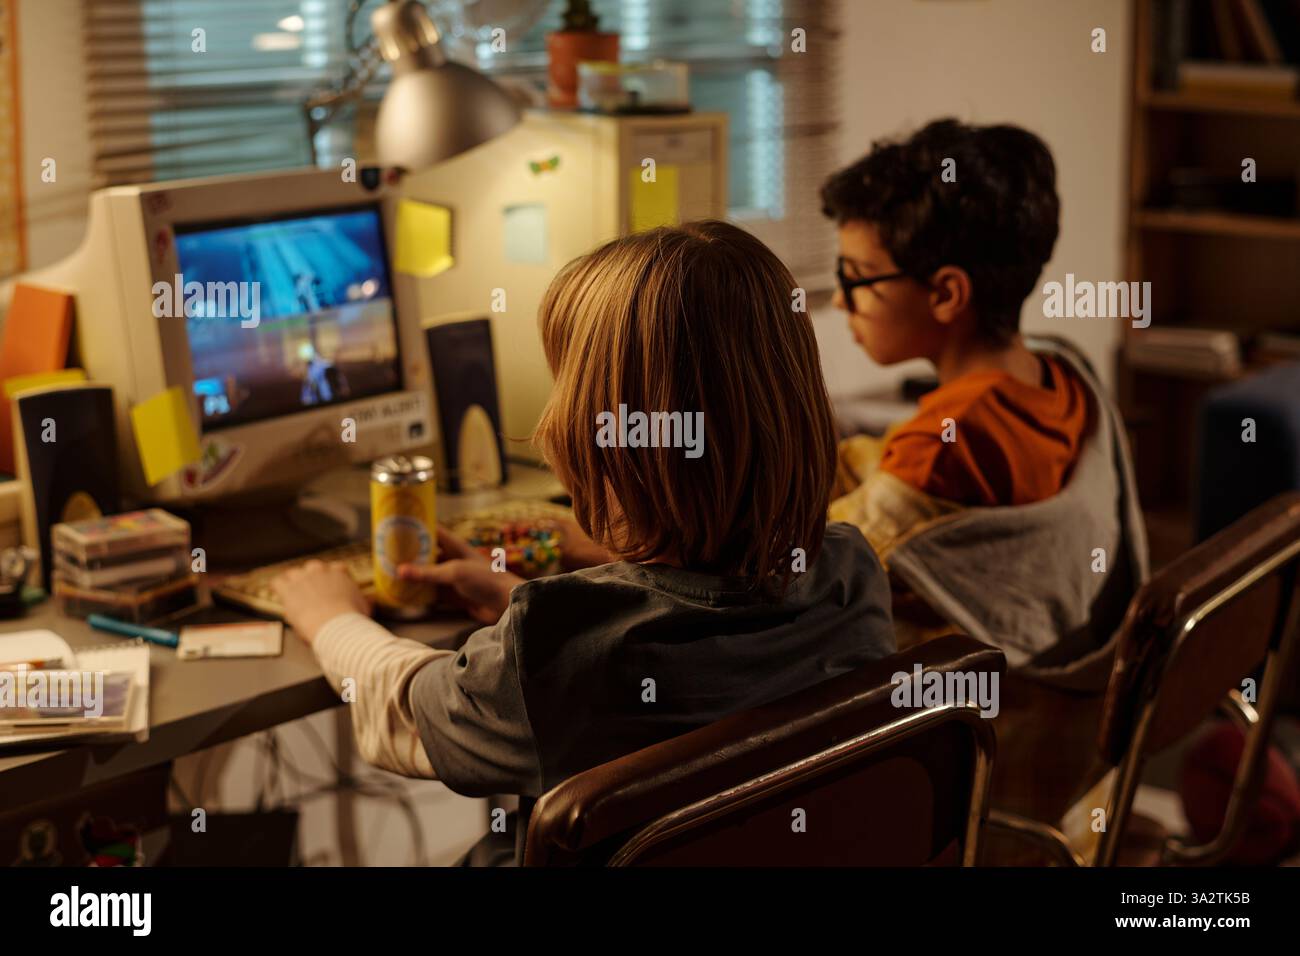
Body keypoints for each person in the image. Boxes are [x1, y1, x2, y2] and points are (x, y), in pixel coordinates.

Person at [272, 221, 895, 861]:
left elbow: (409, 711)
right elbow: (667, 641)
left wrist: (330, 619)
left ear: (599, 437)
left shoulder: (552, 641)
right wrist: (529, 601)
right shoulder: (849, 573)